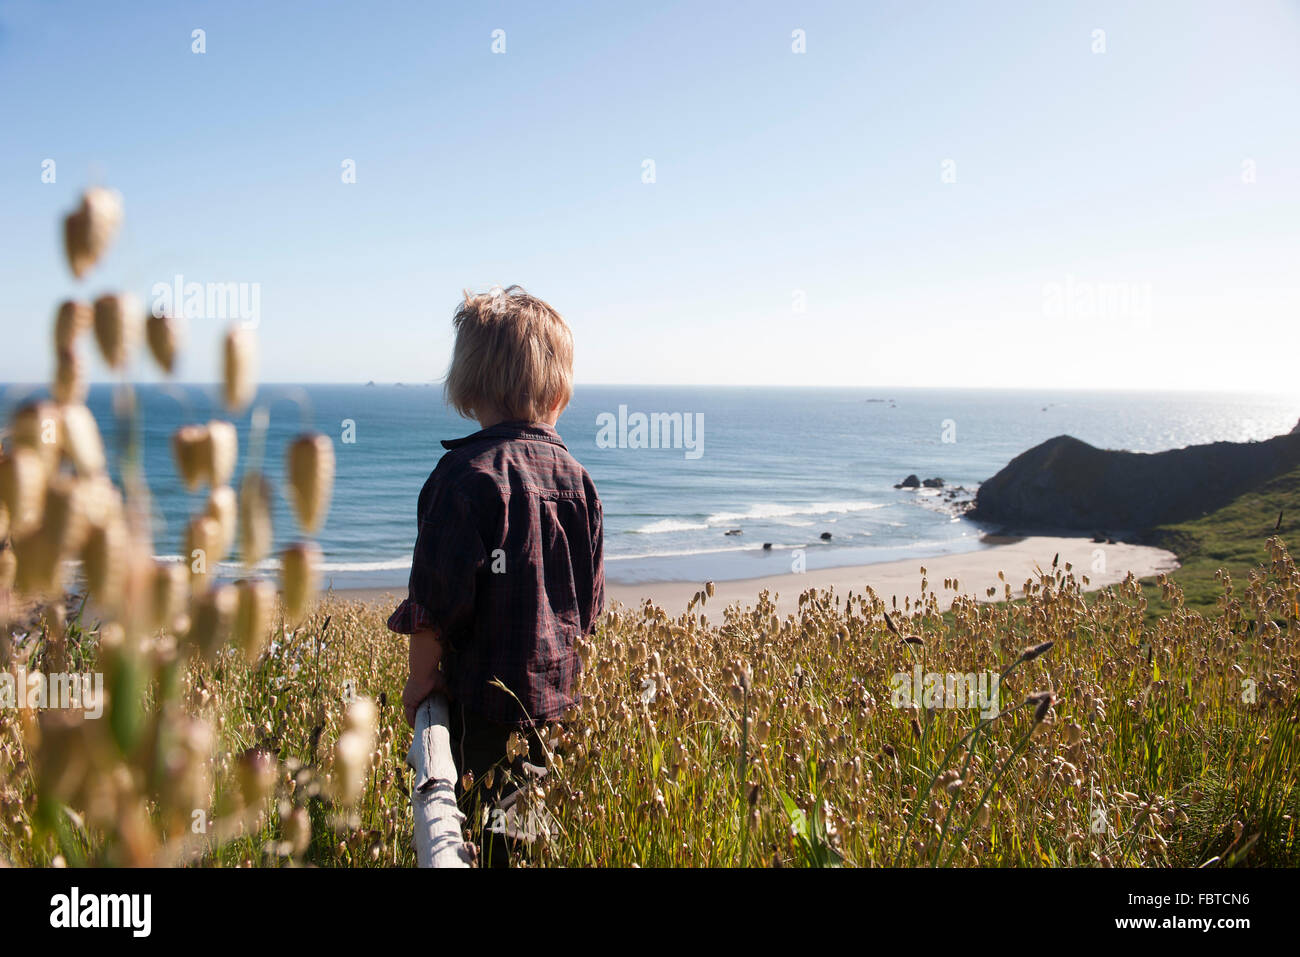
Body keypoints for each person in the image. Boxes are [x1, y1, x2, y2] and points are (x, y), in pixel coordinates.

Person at [387, 286, 604, 866]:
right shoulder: (580, 483)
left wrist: (420, 682)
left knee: (469, 839)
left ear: (468, 383)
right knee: (524, 843)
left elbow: (435, 601)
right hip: (556, 709)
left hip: (478, 711)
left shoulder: (464, 476)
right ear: (559, 389)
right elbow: (589, 607)